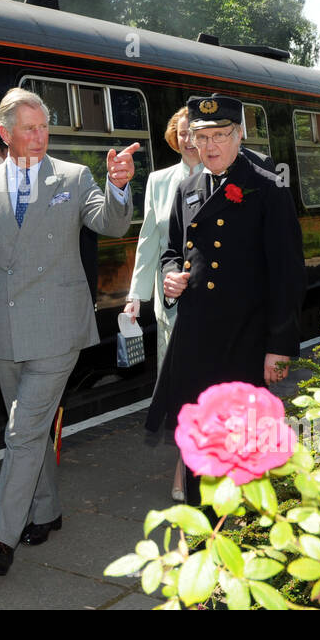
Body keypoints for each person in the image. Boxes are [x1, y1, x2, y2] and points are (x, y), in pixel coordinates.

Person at [0, 88, 138, 576]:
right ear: (4, 134)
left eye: (45, 126)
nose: (40, 136)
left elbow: (110, 223)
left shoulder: (73, 176)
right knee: (30, 429)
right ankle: (46, 510)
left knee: (21, 431)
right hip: (4, 330)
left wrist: (119, 186)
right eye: (30, 128)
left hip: (58, 328)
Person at [146, 94, 305, 506]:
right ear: (192, 141)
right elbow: (170, 251)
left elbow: (287, 274)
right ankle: (203, 529)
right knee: (200, 439)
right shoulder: (188, 188)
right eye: (202, 136)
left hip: (246, 340)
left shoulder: (267, 188)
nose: (211, 145)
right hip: (197, 338)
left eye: (220, 135)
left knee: (243, 440)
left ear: (239, 136)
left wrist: (278, 348)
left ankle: (246, 531)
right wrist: (169, 277)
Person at [123, 105, 200, 502]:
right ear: (175, 137)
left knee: (208, 385)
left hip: (211, 299)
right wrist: (136, 295)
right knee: (178, 386)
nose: (188, 139)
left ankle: (188, 471)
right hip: (169, 305)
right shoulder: (158, 181)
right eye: (182, 132)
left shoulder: (222, 176)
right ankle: (187, 466)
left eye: (194, 132)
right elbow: (149, 240)